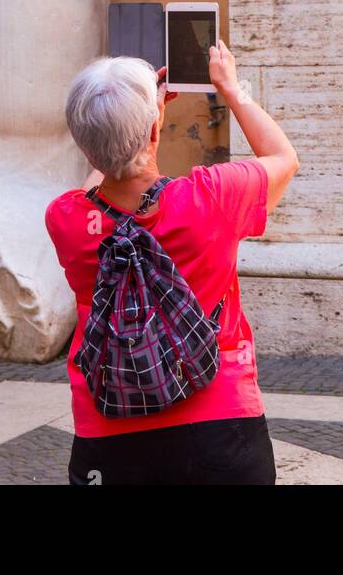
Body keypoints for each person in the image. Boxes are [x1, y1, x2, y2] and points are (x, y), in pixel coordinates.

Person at [45, 38, 299, 485]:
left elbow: (99, 183)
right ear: (155, 132)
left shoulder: (65, 219)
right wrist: (231, 88)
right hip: (221, 428)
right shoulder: (212, 196)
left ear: (83, 146)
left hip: (109, 437)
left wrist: (122, 129)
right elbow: (283, 158)